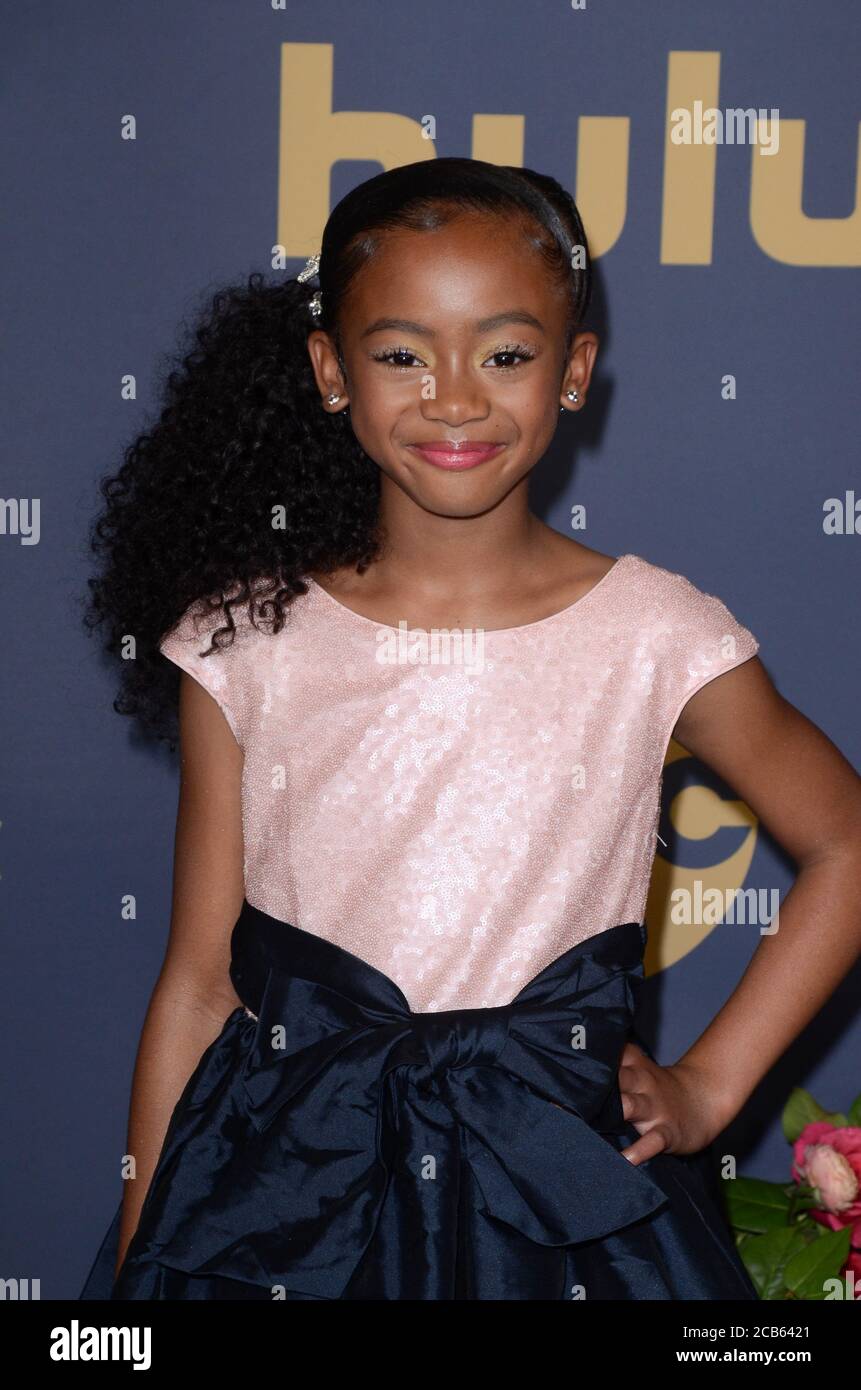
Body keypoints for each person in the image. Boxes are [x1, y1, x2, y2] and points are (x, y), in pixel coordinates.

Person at [79, 156, 861, 1300]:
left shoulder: (654, 632)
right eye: (402, 353)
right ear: (331, 371)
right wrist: (146, 1252)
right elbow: (200, 983)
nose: (454, 395)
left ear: (576, 371)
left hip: (563, 1204)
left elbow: (845, 842)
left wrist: (709, 1086)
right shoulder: (243, 640)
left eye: (506, 353)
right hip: (288, 1199)